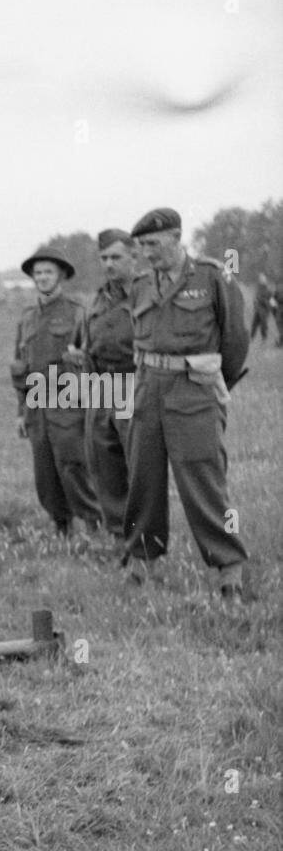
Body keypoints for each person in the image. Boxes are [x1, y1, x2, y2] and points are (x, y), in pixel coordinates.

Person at [122, 208, 249, 600]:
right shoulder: (141, 283)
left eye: (154, 245)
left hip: (194, 389)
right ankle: (142, 560)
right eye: (142, 246)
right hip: (147, 389)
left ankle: (229, 566)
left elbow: (235, 340)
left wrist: (211, 384)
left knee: (204, 480)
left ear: (177, 238)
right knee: (143, 477)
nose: (147, 253)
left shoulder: (212, 277)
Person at [11, 244, 102, 541]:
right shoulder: (26, 319)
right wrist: (21, 412)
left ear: (61, 275)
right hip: (37, 404)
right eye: (38, 273)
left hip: (68, 401)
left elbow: (91, 360)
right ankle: (62, 528)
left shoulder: (78, 314)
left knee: (74, 466)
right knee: (45, 472)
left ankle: (94, 526)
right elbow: (20, 368)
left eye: (48, 272)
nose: (42, 278)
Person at [82, 230, 143, 545]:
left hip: (135, 384)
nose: (108, 264)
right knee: (104, 465)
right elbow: (89, 340)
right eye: (104, 258)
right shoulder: (99, 297)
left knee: (139, 464)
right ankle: (119, 533)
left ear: (134, 256)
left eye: (116, 257)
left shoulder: (148, 293)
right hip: (101, 386)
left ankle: (144, 537)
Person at [249, 273, 277, 345]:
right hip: (257, 310)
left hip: (264, 310)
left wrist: (263, 301)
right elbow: (255, 298)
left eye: (262, 279)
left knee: (263, 325)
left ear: (265, 280)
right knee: (254, 325)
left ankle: (264, 340)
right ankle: (251, 338)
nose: (261, 280)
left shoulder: (268, 289)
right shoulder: (258, 288)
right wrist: (255, 303)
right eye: (260, 279)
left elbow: (271, 301)